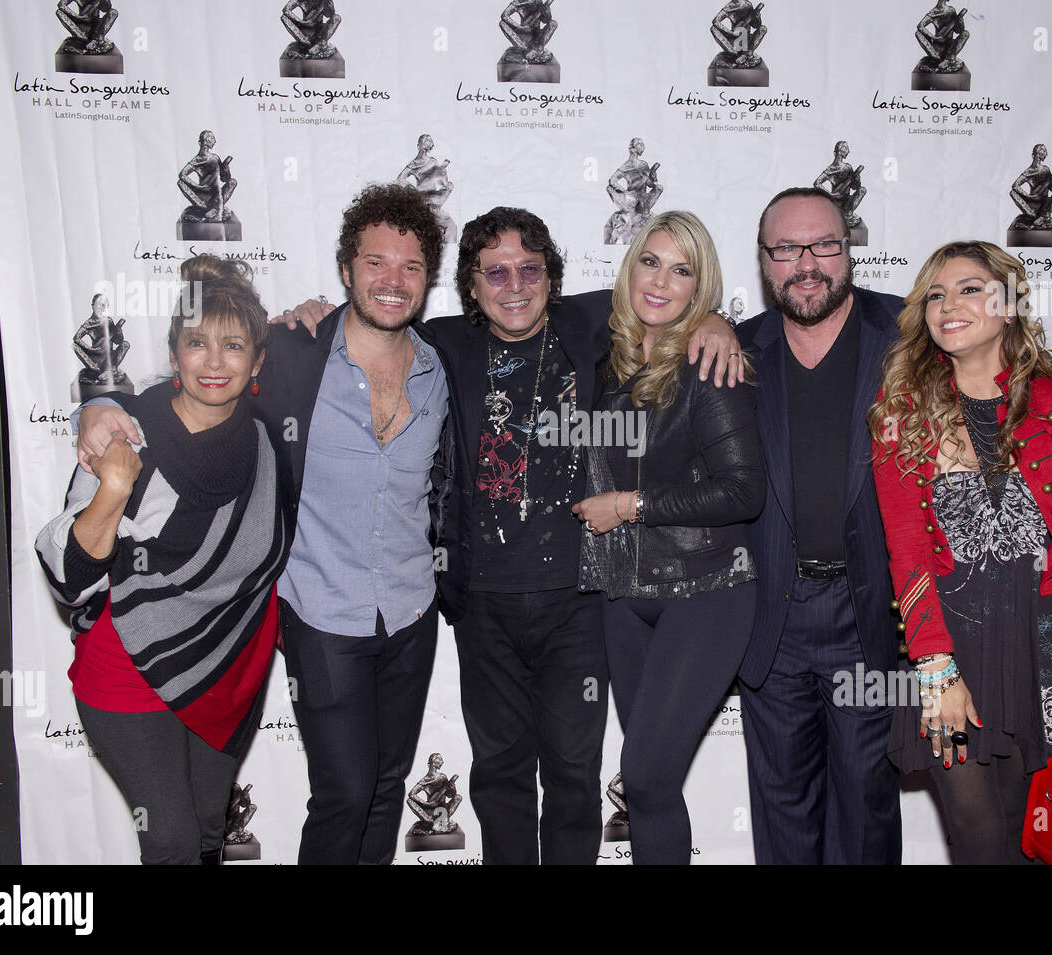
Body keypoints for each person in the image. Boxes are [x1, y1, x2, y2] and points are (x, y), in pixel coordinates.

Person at [280, 205, 743, 864]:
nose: (515, 285)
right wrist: (309, 314)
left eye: (530, 269)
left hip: (579, 599)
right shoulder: (441, 344)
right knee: (499, 776)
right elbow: (365, 321)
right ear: (469, 286)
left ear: (551, 278)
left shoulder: (595, 328)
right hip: (484, 603)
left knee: (575, 779)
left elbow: (671, 301)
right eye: (494, 272)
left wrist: (719, 321)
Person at [76, 184, 450, 865]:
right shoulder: (290, 352)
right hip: (319, 611)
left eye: (411, 266)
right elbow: (195, 380)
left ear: (428, 279)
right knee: (344, 790)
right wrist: (100, 403)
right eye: (376, 262)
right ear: (346, 269)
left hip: (410, 611)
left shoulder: (440, 365)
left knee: (388, 785)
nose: (392, 281)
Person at [868, 240, 1052, 864]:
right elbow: (906, 554)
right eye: (935, 294)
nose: (948, 305)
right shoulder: (898, 418)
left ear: (1010, 303)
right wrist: (937, 674)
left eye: (968, 289)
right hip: (950, 648)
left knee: (1029, 833)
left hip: (1046, 650)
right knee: (976, 832)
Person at [37, 255, 288, 864]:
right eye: (196, 343)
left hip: (225, 669)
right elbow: (68, 575)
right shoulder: (126, 432)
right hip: (128, 669)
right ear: (174, 353)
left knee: (206, 833)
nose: (213, 361)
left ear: (256, 362)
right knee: (171, 842)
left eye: (233, 346)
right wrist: (114, 489)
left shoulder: (268, 442)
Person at [572, 211, 765, 864]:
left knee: (648, 773)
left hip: (704, 592)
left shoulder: (710, 363)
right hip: (624, 596)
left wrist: (630, 504)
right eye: (650, 262)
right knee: (649, 787)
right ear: (629, 270)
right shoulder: (610, 359)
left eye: (681, 270)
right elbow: (518, 303)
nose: (660, 280)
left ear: (699, 286)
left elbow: (744, 491)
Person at [733, 187, 904, 864]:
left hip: (873, 611)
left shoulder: (910, 337)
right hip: (770, 615)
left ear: (849, 250)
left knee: (867, 804)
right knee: (782, 809)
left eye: (824, 245)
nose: (807, 263)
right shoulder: (734, 353)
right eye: (786, 249)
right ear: (764, 261)